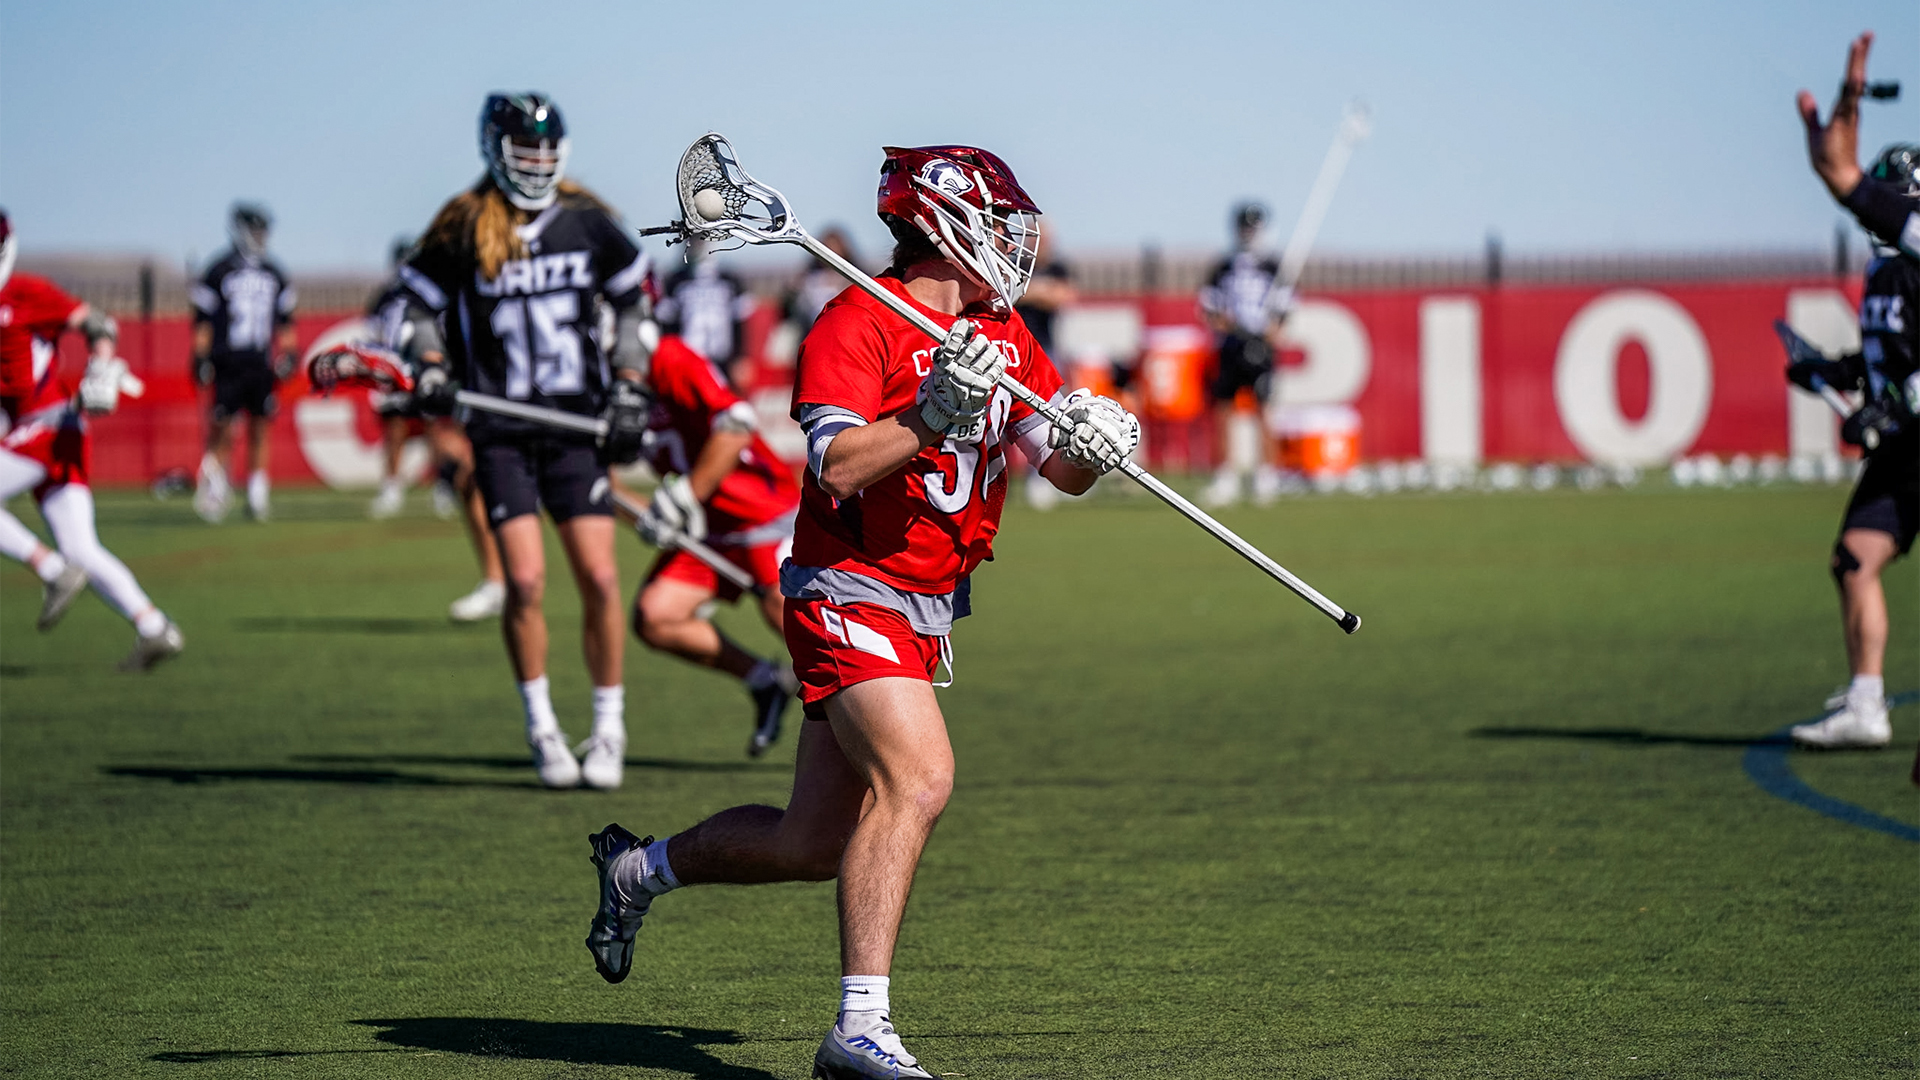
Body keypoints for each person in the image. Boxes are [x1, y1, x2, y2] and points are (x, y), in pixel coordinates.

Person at [582, 144, 1140, 1080]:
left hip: (925, 609)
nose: (1014, 241)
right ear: (944, 223)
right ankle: (858, 1029)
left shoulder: (1005, 332)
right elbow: (836, 466)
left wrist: (1099, 439)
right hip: (846, 587)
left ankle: (639, 869)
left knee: (810, 841)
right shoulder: (855, 322)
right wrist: (927, 414)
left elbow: (1060, 467)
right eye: (997, 221)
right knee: (920, 779)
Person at [393, 93, 654, 789]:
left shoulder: (586, 222)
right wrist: (432, 365)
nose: (536, 167)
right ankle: (541, 724)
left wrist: (630, 381)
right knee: (527, 583)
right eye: (524, 154)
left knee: (600, 577)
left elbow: (634, 302)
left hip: (576, 426)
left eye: (545, 154)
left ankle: (608, 727)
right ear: (495, 152)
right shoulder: (463, 224)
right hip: (503, 430)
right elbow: (415, 305)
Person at [1789, 38, 1920, 751]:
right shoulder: (1887, 268)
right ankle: (1867, 704)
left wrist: (1890, 408)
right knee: (1854, 559)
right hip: (1905, 448)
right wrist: (1831, 375)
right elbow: (1888, 363)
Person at [0, 210, 185, 669]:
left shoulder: (23, 292)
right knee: (83, 547)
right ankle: (154, 626)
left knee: (70, 558)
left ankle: (51, 569)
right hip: (40, 430)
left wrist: (102, 362)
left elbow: (98, 324)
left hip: (50, 424)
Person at [622, 332, 802, 757]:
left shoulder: (666, 359)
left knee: (785, 610)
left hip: (760, 514)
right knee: (655, 616)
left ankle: (864, 715)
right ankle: (763, 681)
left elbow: (736, 424)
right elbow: (600, 482)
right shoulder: (590, 380)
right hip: (705, 531)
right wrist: (648, 517)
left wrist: (686, 495)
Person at [365, 239, 508, 621]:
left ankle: (504, 582)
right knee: (469, 478)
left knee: (589, 493)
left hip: (523, 393)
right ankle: (498, 582)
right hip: (465, 387)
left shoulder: (473, 289)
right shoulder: (397, 298)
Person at [191, 203, 297, 523]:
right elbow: (204, 321)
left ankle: (257, 491)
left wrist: (290, 353)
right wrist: (200, 355)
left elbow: (286, 323)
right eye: (255, 228)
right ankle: (215, 486)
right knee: (222, 426)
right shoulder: (219, 270)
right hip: (228, 361)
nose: (260, 235)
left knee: (260, 426)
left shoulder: (275, 271)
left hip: (260, 361)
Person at [1198, 201, 1295, 507]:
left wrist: (1272, 330)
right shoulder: (1224, 265)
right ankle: (1226, 475)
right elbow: (1210, 305)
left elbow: (1285, 307)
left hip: (1260, 346)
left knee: (1264, 410)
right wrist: (1228, 326)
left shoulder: (1274, 266)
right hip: (1231, 345)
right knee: (1224, 410)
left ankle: (1266, 476)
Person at [1013, 220, 1075, 509]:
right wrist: (1038, 291)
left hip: (1046, 348)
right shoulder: (1017, 262)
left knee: (1049, 414)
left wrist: (1030, 290)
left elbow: (1062, 296)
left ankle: (1045, 476)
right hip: (1015, 345)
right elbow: (1009, 292)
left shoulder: (1057, 267)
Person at [657, 240, 754, 390]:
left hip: (722, 361)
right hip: (687, 362)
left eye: (702, 238)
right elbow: (667, 327)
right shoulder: (674, 281)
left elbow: (739, 321)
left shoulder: (729, 278)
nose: (698, 244)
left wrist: (741, 356)